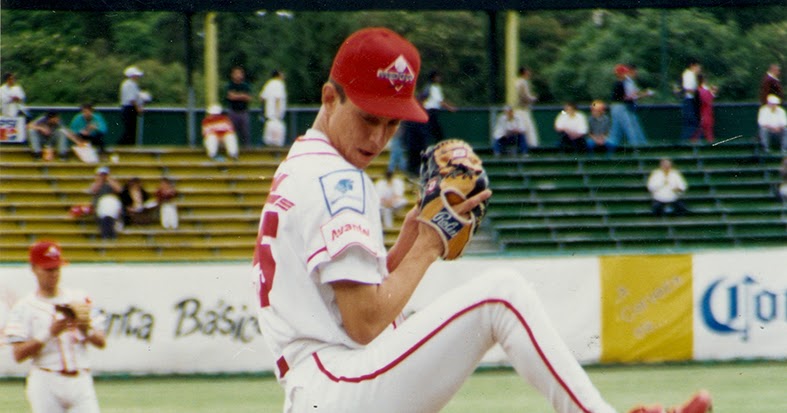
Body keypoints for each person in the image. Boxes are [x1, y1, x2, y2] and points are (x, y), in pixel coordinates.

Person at [250, 27, 711, 413]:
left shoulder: (303, 164)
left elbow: (341, 303)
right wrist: (430, 244)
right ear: (330, 97)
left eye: (392, 124)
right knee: (501, 297)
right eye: (369, 118)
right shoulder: (338, 178)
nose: (379, 137)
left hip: (325, 389)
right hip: (338, 384)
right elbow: (364, 323)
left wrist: (406, 245)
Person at [4, 240, 106, 413]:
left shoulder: (79, 297)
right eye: (48, 269)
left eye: (57, 268)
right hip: (46, 379)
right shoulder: (24, 307)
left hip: (80, 378)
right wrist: (49, 333)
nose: (54, 274)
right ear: (34, 268)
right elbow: (18, 354)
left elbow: (101, 342)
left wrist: (84, 328)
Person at [607, 65, 647, 154]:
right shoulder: (619, 83)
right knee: (629, 128)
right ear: (619, 74)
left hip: (617, 107)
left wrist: (637, 94)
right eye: (624, 72)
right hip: (620, 106)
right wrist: (641, 95)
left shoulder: (623, 82)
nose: (626, 74)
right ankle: (637, 149)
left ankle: (609, 151)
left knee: (616, 131)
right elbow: (627, 97)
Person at [421, 69, 456, 143]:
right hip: (431, 111)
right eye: (438, 76)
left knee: (434, 132)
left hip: (431, 112)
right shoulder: (433, 87)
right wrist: (450, 108)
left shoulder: (434, 87)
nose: (439, 78)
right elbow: (440, 101)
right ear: (433, 78)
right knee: (437, 134)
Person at [89, 166, 123, 239]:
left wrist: (109, 179)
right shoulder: (95, 184)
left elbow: (119, 190)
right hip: (99, 208)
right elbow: (93, 190)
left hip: (112, 208)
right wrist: (100, 180)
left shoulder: (111, 183)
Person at [225, 66, 253, 149]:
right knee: (232, 132)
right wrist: (242, 96)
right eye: (236, 73)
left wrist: (236, 95)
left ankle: (246, 149)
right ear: (232, 75)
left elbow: (248, 98)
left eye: (239, 73)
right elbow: (230, 96)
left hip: (243, 111)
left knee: (245, 132)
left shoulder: (245, 85)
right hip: (233, 111)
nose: (238, 75)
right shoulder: (230, 85)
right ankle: (233, 149)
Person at [259, 69, 288, 147]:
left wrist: (264, 110)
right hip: (276, 117)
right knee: (277, 142)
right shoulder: (279, 84)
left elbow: (261, 98)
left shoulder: (268, 84)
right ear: (278, 75)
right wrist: (278, 113)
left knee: (268, 141)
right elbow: (277, 99)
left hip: (269, 117)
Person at [118, 65, 145, 145]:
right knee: (129, 130)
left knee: (131, 130)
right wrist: (138, 109)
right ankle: (121, 146)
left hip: (130, 108)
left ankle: (128, 146)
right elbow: (131, 99)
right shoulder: (129, 84)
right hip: (129, 108)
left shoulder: (131, 84)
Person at [515, 66, 540, 148]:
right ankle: (530, 146)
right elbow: (524, 96)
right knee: (527, 129)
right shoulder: (523, 82)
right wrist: (533, 98)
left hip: (518, 109)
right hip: (522, 109)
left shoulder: (517, 82)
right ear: (524, 73)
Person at [680, 59, 702, 142]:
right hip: (689, 101)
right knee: (690, 123)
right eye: (698, 67)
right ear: (693, 66)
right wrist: (698, 93)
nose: (699, 69)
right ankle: (686, 142)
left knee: (692, 123)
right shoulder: (689, 75)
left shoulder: (692, 75)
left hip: (691, 101)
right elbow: (688, 89)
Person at [695, 74, 718, 144]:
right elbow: (706, 100)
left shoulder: (701, 90)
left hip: (703, 114)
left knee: (698, 133)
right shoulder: (703, 91)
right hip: (705, 115)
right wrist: (712, 93)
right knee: (707, 133)